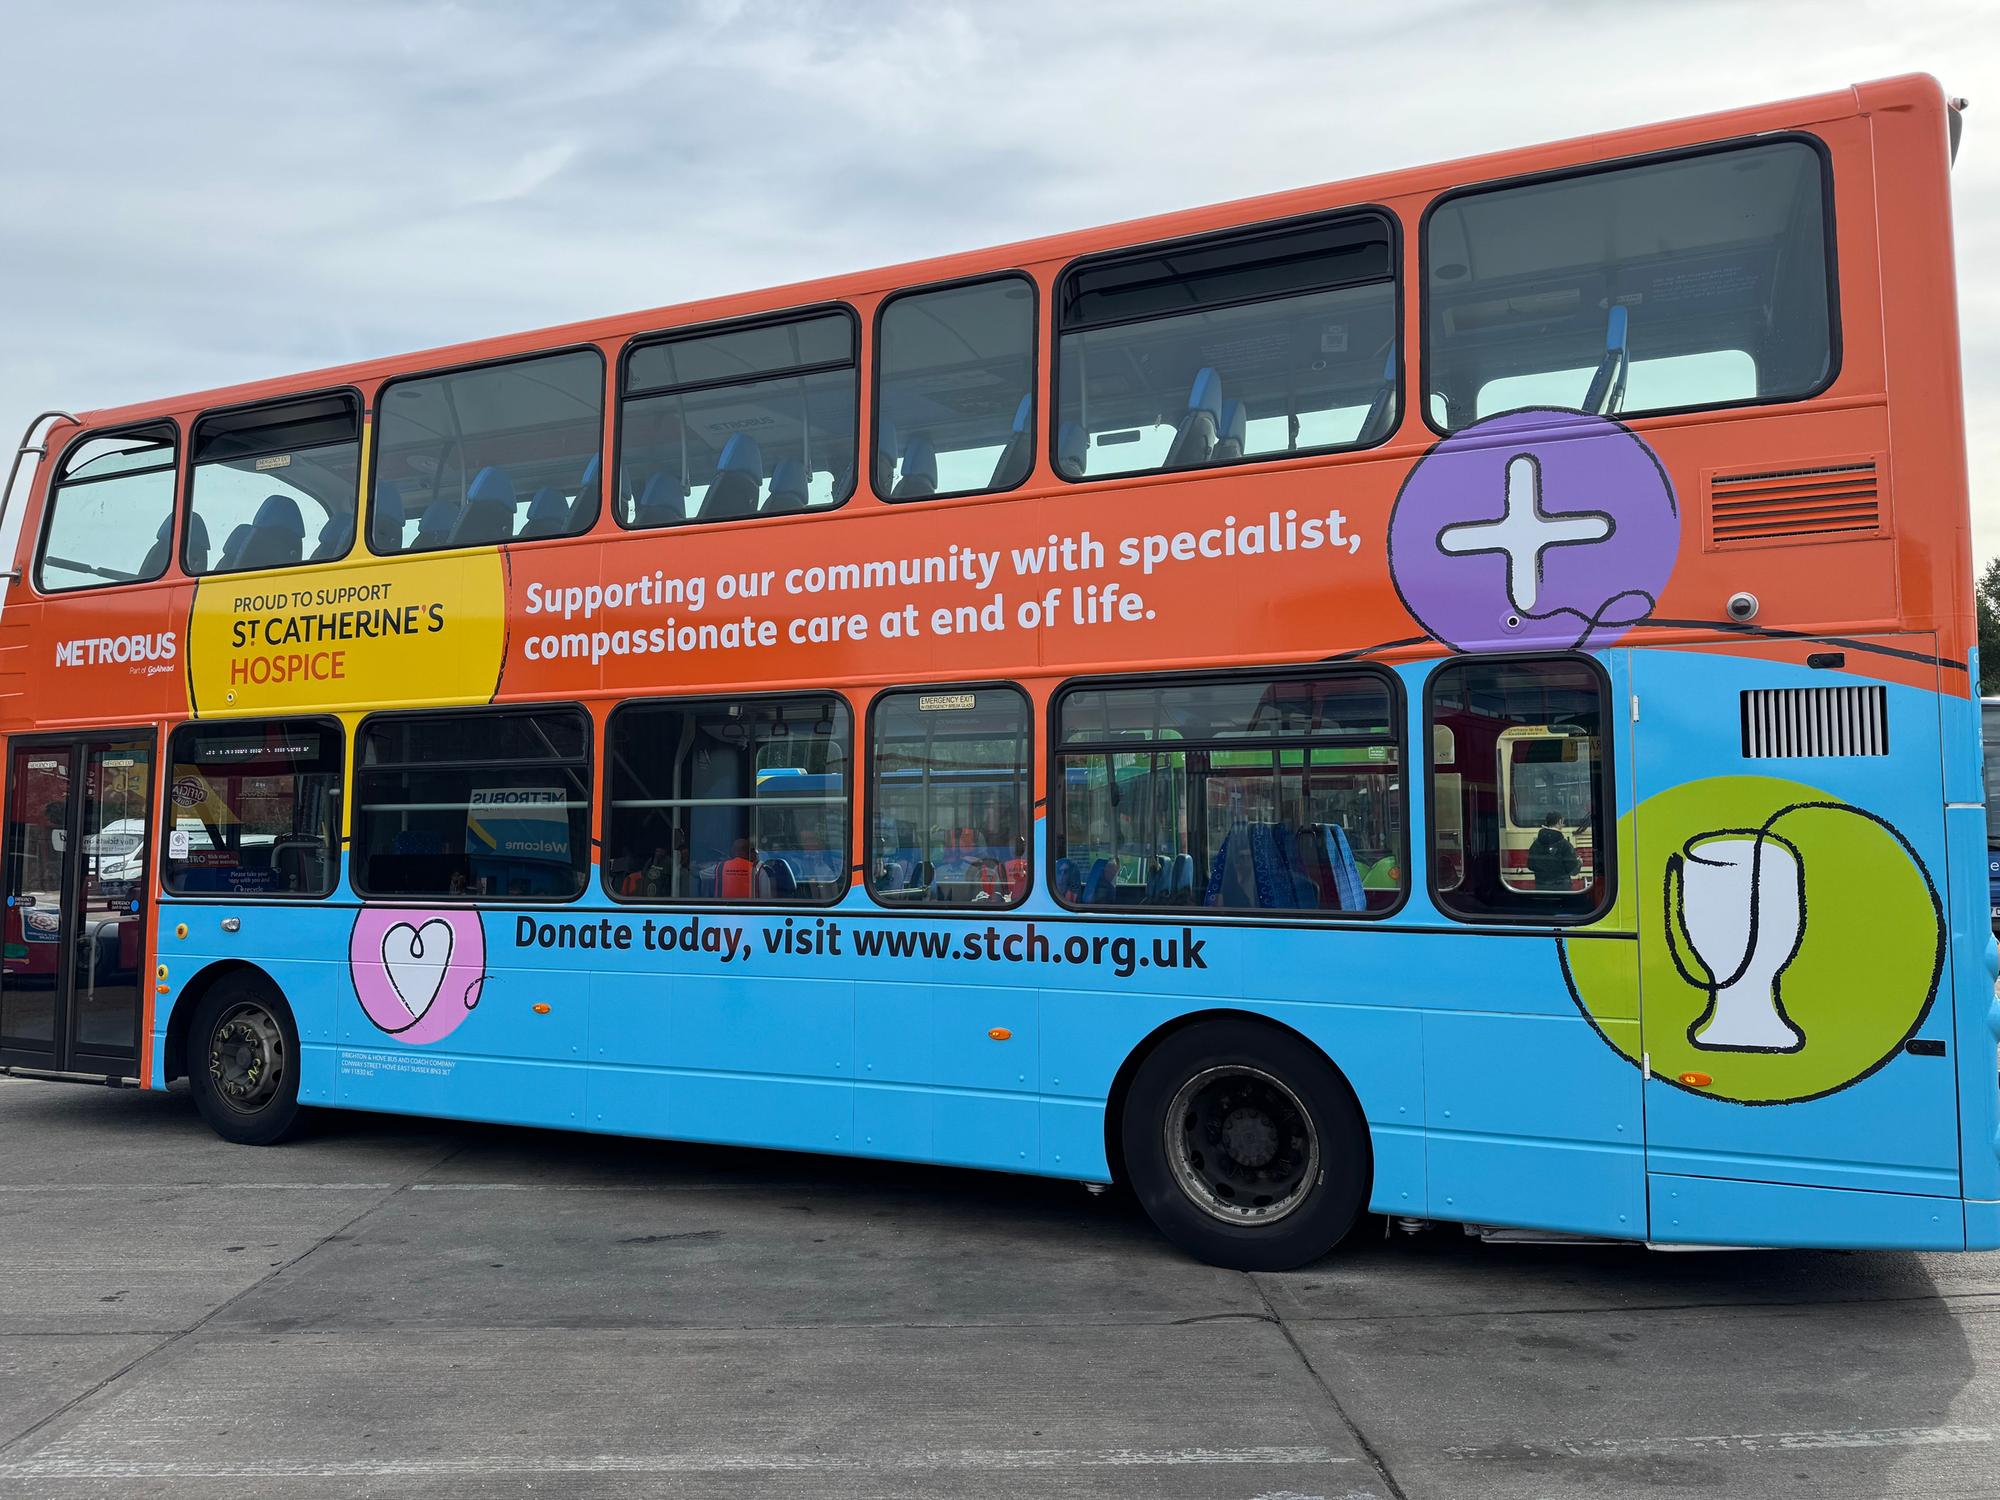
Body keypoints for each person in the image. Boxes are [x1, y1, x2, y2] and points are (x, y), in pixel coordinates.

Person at [1526, 811, 1582, 891]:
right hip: (1562, 890)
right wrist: (1579, 863)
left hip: (1541, 889)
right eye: (1562, 822)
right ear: (1559, 821)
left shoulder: (1536, 844)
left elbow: (1530, 865)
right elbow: (1573, 871)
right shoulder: (1565, 844)